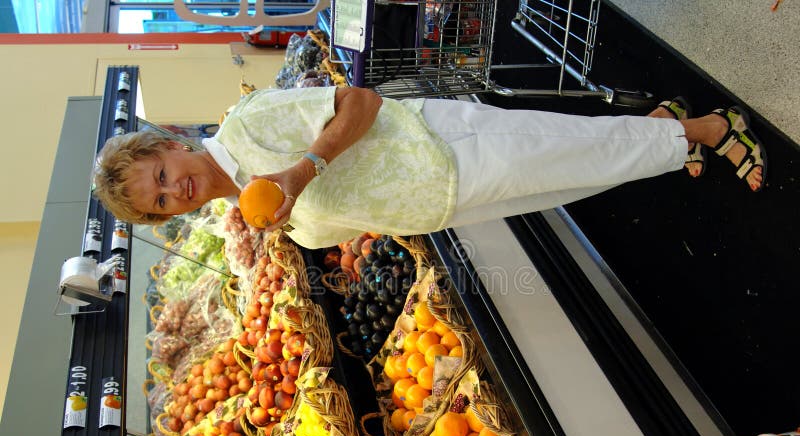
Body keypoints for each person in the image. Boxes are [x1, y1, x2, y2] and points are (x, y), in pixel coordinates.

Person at [92, 86, 765, 249]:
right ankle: (660, 131)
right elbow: (345, 224)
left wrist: (305, 169)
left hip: (442, 148)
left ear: (166, 146)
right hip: (443, 205)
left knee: (567, 151)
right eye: (158, 205)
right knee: (572, 175)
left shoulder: (244, 130)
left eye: (156, 176)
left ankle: (708, 128)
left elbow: (360, 101)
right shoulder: (252, 215)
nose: (170, 191)